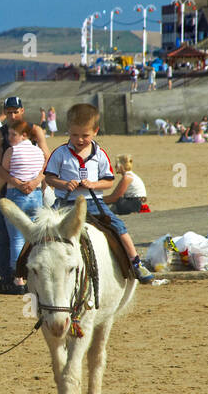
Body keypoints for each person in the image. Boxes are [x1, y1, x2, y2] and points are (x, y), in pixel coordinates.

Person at [42, 104, 154, 284]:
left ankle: (136, 262)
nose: (79, 140)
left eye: (85, 136)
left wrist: (93, 185)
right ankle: (28, 267)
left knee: (119, 227)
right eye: (74, 135)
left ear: (95, 131)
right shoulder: (60, 153)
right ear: (68, 131)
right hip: (65, 202)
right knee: (42, 228)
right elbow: (49, 178)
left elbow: (108, 181)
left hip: (93, 202)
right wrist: (64, 183)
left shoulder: (100, 155)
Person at [1, 119, 47, 291]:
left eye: (13, 134)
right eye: (9, 134)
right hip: (35, 195)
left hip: (16, 194)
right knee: (34, 237)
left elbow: (5, 171)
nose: (9, 137)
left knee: (17, 237)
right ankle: (35, 274)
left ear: (24, 135)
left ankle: (18, 277)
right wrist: (34, 182)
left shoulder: (11, 151)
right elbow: (43, 171)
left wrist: (18, 184)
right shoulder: (38, 152)